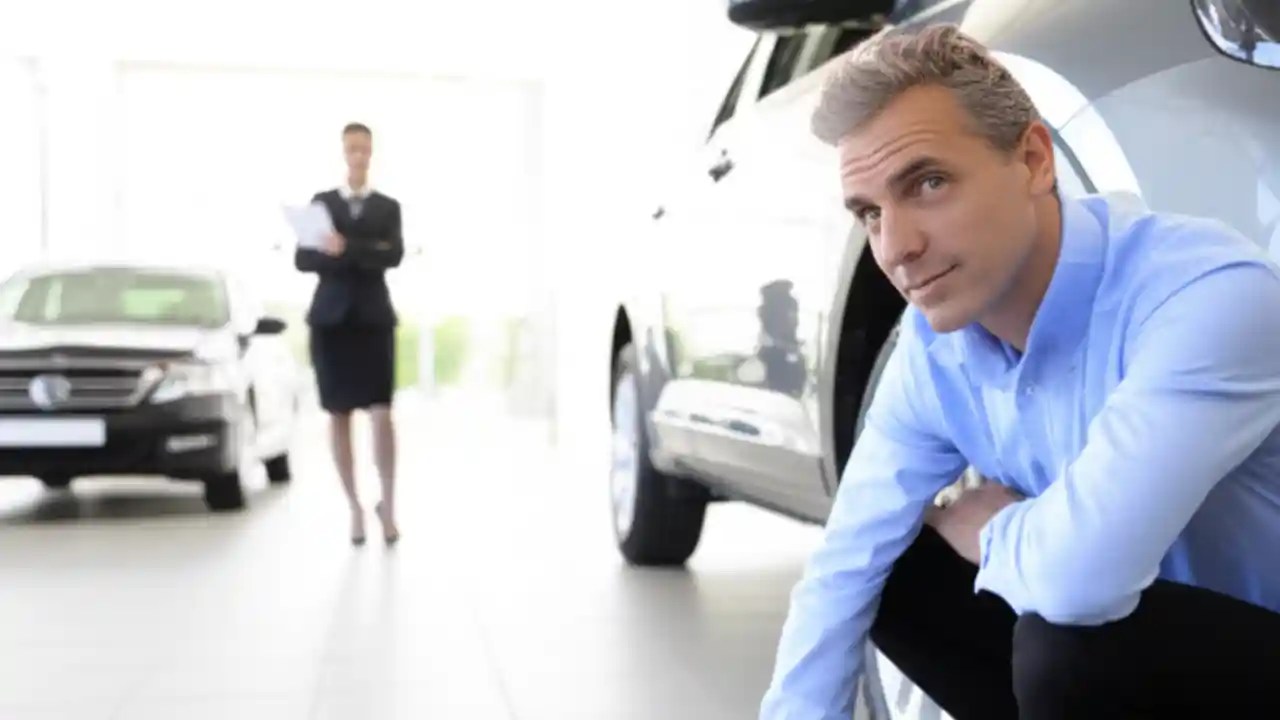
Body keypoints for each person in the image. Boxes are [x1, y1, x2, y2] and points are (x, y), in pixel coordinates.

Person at [760, 24, 1280, 720]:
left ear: (1034, 160)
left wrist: (995, 530)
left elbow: (1081, 584)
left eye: (929, 183)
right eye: (871, 213)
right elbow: (844, 566)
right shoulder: (932, 350)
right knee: (890, 570)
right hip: (1139, 653)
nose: (896, 247)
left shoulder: (1205, 296)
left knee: (1067, 646)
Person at [296, 121, 404, 547]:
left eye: (364, 148)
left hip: (374, 320)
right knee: (338, 414)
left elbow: (392, 255)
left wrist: (346, 248)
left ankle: (388, 507)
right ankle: (355, 508)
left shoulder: (388, 207)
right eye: (352, 148)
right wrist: (359, 252)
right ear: (343, 152)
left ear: (371, 152)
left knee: (381, 413)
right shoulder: (322, 203)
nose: (358, 155)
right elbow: (304, 259)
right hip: (331, 322)